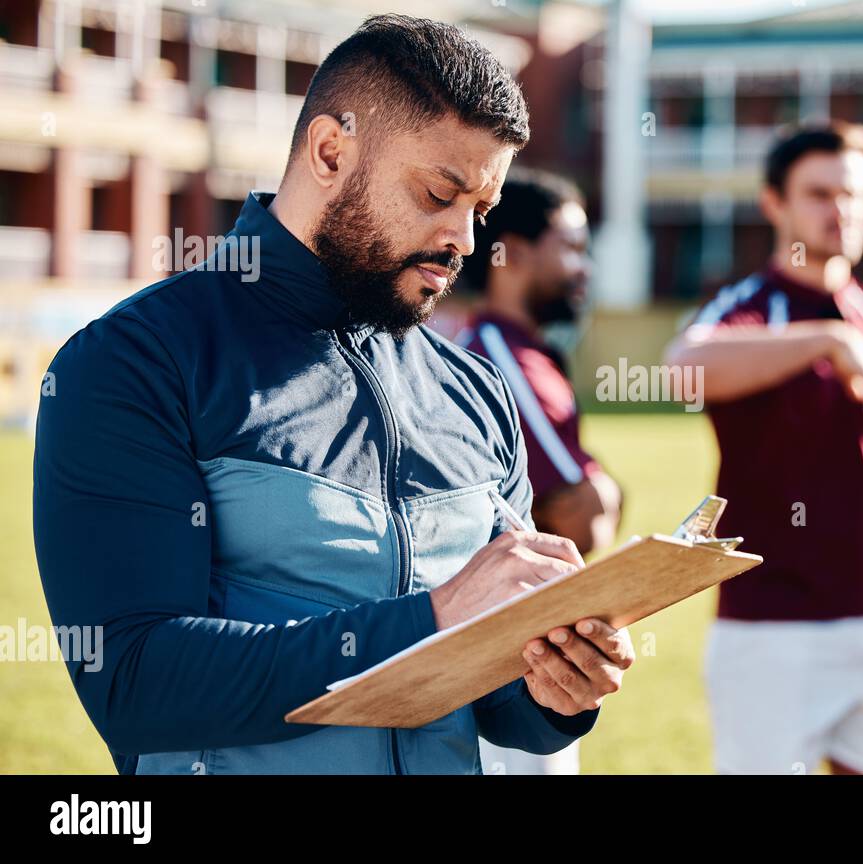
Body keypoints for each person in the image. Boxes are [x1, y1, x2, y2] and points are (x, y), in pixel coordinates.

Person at [31, 15, 633, 775]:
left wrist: (558, 689)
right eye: (438, 193)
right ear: (330, 151)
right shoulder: (135, 361)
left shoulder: (475, 391)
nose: (464, 240)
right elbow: (137, 681)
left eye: (479, 211)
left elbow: (497, 704)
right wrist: (436, 617)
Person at [664, 121, 863, 775]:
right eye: (820, 193)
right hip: (773, 624)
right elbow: (681, 368)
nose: (841, 211)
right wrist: (828, 340)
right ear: (775, 203)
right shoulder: (747, 308)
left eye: (853, 195)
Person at [458, 169, 623, 774]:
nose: (585, 267)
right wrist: (606, 490)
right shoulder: (498, 355)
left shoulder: (525, 349)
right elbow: (582, 513)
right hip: (510, 660)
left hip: (531, 654)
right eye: (573, 248)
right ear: (516, 255)